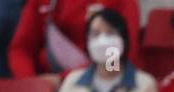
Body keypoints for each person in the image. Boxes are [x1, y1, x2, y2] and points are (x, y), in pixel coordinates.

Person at [9, 0, 140, 81]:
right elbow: (20, 49)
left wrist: (63, 80)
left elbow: (120, 57)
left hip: (102, 87)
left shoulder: (121, 2)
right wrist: (31, 84)